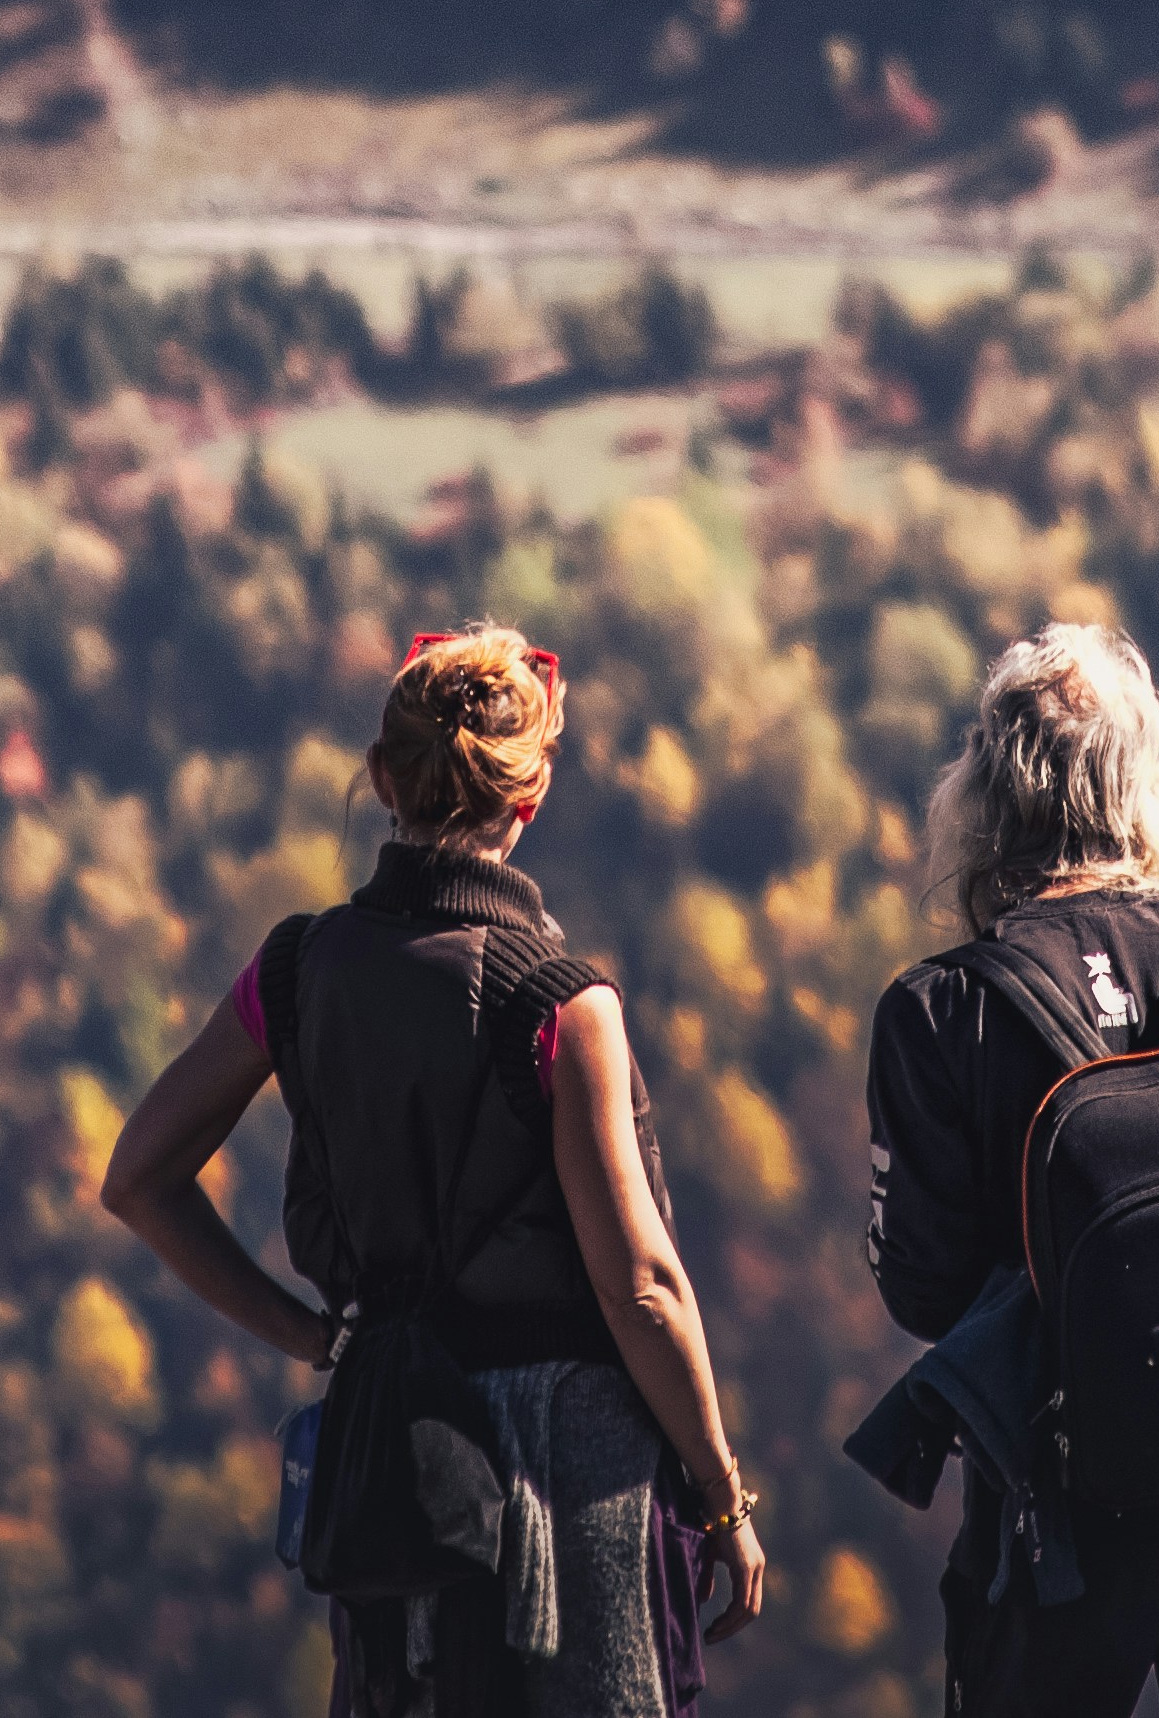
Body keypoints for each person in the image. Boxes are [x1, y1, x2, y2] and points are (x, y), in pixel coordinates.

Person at [103, 624, 767, 1714]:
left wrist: (314, 1337)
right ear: (530, 794)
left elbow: (138, 1179)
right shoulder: (561, 1006)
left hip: (390, 1475)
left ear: (382, 780)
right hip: (571, 1487)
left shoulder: (295, 970)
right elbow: (641, 1287)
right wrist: (721, 1493)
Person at [862, 624, 1159, 1717]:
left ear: (985, 797)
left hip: (1067, 1502)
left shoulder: (940, 1013)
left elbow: (922, 1289)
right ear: (1145, 788)